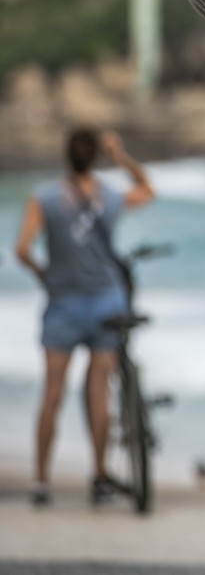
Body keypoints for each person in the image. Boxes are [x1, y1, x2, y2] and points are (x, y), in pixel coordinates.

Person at [14, 128, 156, 506]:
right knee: (99, 394)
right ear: (95, 157)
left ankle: (41, 481)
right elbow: (147, 188)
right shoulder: (110, 197)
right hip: (106, 304)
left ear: (67, 156)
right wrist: (119, 155)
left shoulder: (43, 199)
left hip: (63, 305)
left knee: (52, 393)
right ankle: (99, 475)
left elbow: (22, 249)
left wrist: (44, 275)